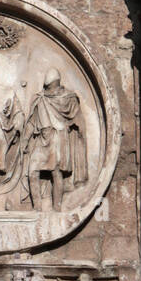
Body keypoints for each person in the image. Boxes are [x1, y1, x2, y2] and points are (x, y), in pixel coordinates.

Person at [22, 68, 87, 211]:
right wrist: (25, 140)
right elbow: (32, 122)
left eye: (51, 83)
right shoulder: (40, 98)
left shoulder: (67, 98)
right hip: (42, 138)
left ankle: (57, 207)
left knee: (56, 172)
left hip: (58, 137)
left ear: (57, 82)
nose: (48, 85)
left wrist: (80, 130)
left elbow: (78, 118)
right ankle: (37, 207)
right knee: (32, 170)